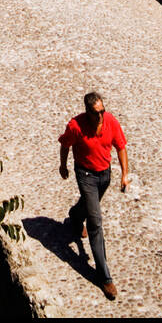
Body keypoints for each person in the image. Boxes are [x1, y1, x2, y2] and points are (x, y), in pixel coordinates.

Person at [59, 92, 130, 301]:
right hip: (86, 175)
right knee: (95, 222)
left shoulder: (111, 122)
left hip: (104, 175)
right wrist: (63, 166)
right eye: (97, 112)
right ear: (88, 111)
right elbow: (65, 145)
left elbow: (121, 147)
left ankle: (74, 214)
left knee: (90, 207)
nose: (101, 116)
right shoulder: (76, 126)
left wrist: (124, 174)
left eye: (103, 111)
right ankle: (104, 276)